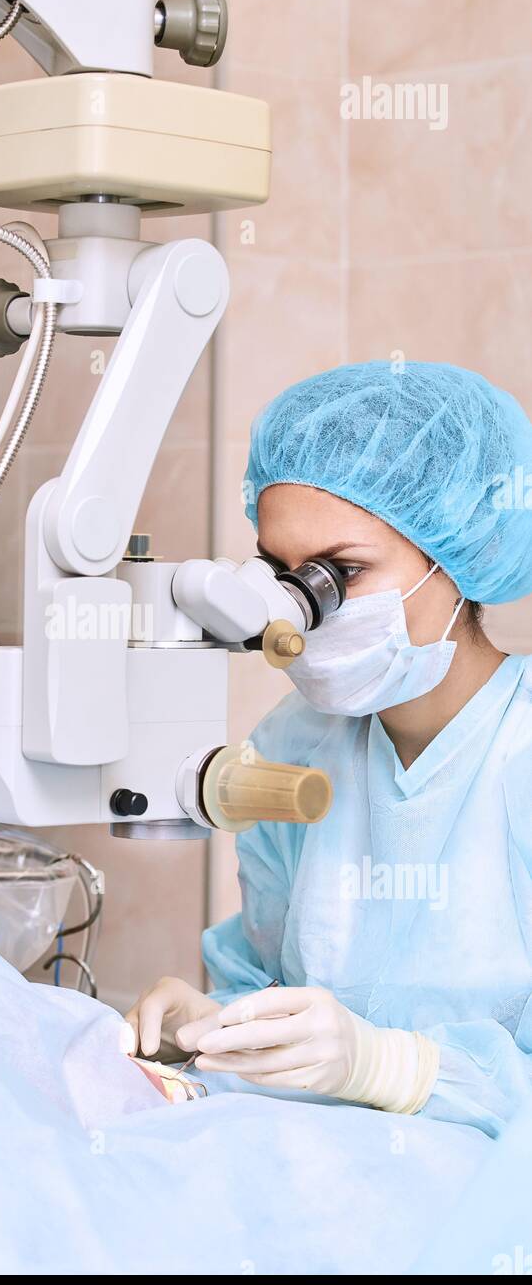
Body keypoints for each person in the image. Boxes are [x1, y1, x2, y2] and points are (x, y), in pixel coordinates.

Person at [127, 360, 532, 1137]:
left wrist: (397, 1068)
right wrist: (217, 1025)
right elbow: (275, 985)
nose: (301, 612)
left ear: (458, 551)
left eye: (341, 573)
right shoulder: (293, 744)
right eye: (282, 576)